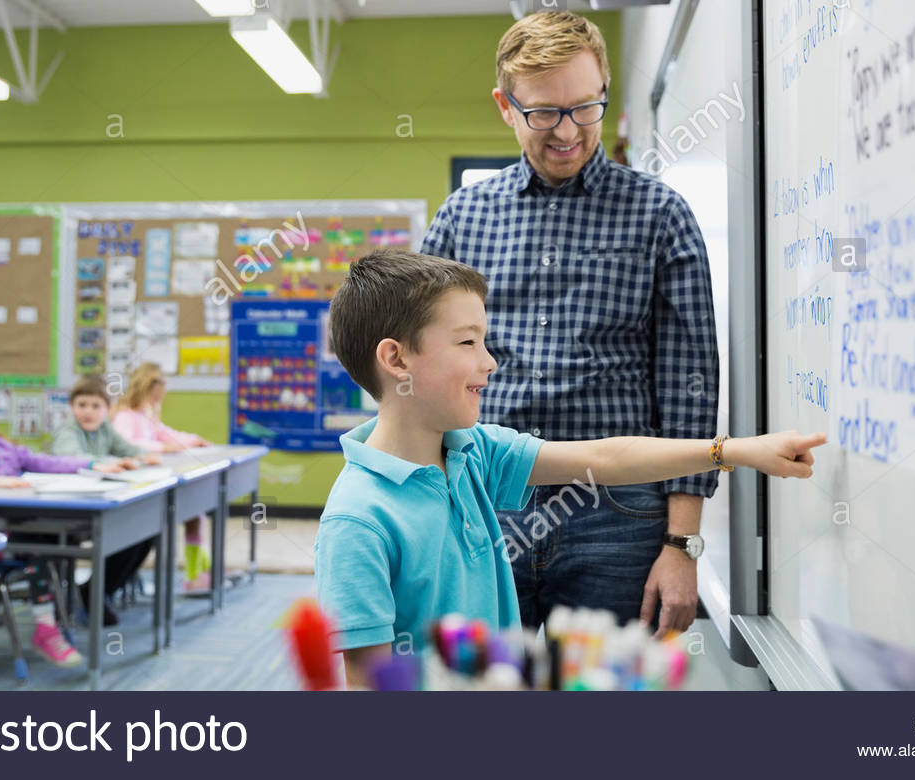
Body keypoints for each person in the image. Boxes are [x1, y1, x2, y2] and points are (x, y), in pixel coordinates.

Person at [313, 250, 822, 687]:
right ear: (396, 360)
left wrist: (730, 452)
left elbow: (604, 460)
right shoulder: (359, 522)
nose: (490, 362)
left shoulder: (473, 452)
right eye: (468, 343)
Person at [420, 10, 720, 636]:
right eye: (543, 113)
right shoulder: (461, 217)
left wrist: (682, 545)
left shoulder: (659, 214)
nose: (568, 132)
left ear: (605, 89)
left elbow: (689, 384)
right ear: (506, 106)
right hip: (484, 508)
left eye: (585, 108)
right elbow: (427, 374)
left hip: (619, 518)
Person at [0, 389, 131, 668]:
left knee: (52, 540)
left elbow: (48, 462)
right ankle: (45, 627)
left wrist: (93, 464)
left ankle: (51, 620)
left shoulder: (5, 448)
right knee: (36, 547)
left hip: (19, 528)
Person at [52, 374, 162, 624]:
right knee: (122, 533)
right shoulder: (67, 430)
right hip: (69, 510)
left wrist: (144, 456)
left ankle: (98, 591)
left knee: (144, 532)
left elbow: (128, 450)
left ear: (107, 409)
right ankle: (95, 594)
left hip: (99, 506)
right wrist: (112, 463)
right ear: (71, 407)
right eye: (81, 405)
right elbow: (70, 456)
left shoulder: (104, 429)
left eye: (95, 406)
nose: (88, 412)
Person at [113, 362, 213, 594]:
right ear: (150, 385)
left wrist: (192, 439)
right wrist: (161, 447)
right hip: (137, 484)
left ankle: (199, 572)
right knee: (188, 517)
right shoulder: (125, 415)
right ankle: (194, 574)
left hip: (154, 477)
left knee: (196, 514)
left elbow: (165, 434)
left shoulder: (146, 413)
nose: (165, 392)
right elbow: (126, 444)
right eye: (163, 386)